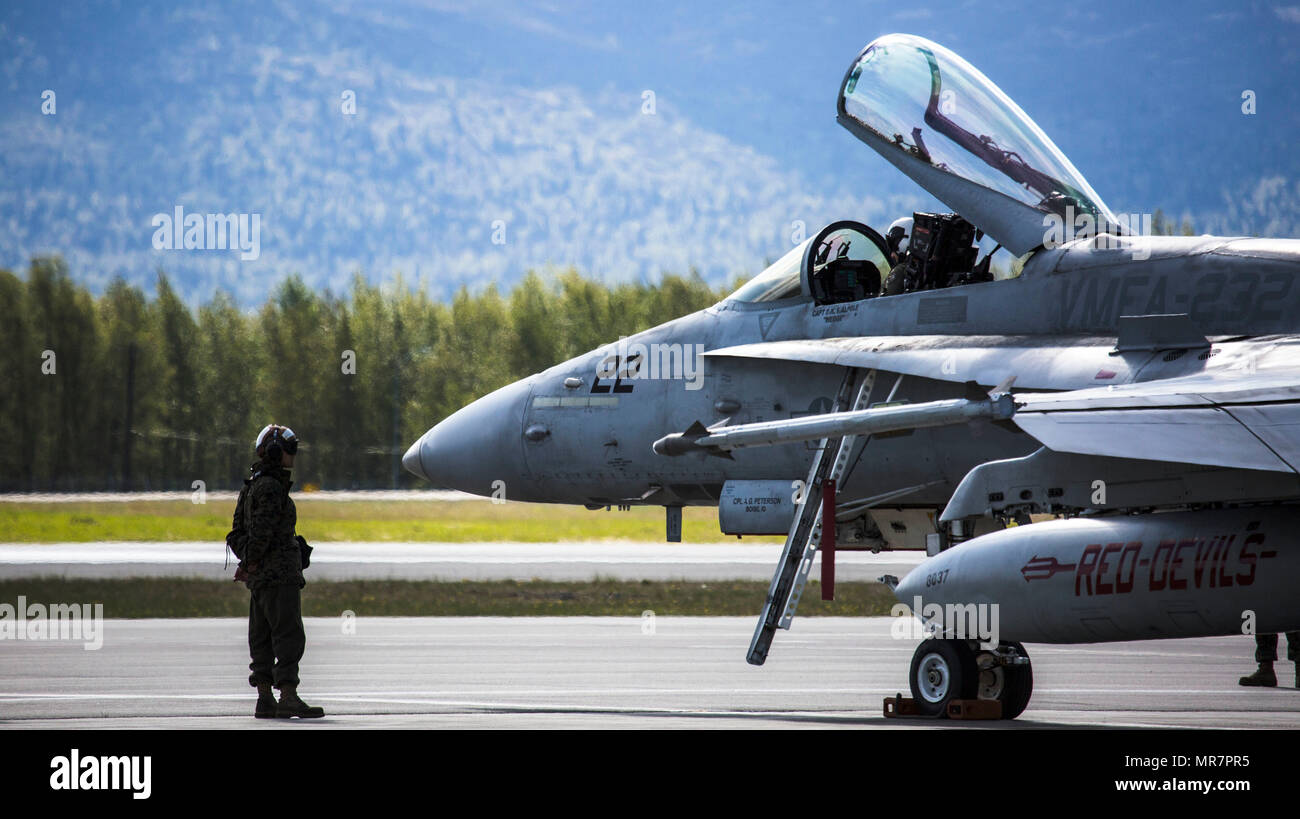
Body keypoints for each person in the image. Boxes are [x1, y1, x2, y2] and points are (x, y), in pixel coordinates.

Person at [235, 424, 324, 718]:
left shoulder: (250, 488)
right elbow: (262, 533)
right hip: (278, 577)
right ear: (278, 452)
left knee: (261, 636)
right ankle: (287, 695)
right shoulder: (272, 489)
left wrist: (247, 564)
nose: (293, 457)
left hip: (261, 579)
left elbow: (237, 533)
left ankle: (264, 698)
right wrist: (256, 560)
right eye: (291, 450)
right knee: (288, 635)